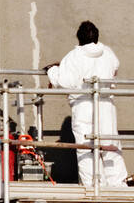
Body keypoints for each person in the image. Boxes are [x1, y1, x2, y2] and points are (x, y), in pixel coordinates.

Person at [46, 21, 129, 187]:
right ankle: (118, 185)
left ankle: (94, 184)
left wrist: (52, 70)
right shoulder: (108, 53)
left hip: (83, 105)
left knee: (86, 148)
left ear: (79, 38)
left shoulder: (73, 56)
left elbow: (65, 82)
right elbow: (114, 69)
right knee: (110, 145)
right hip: (105, 104)